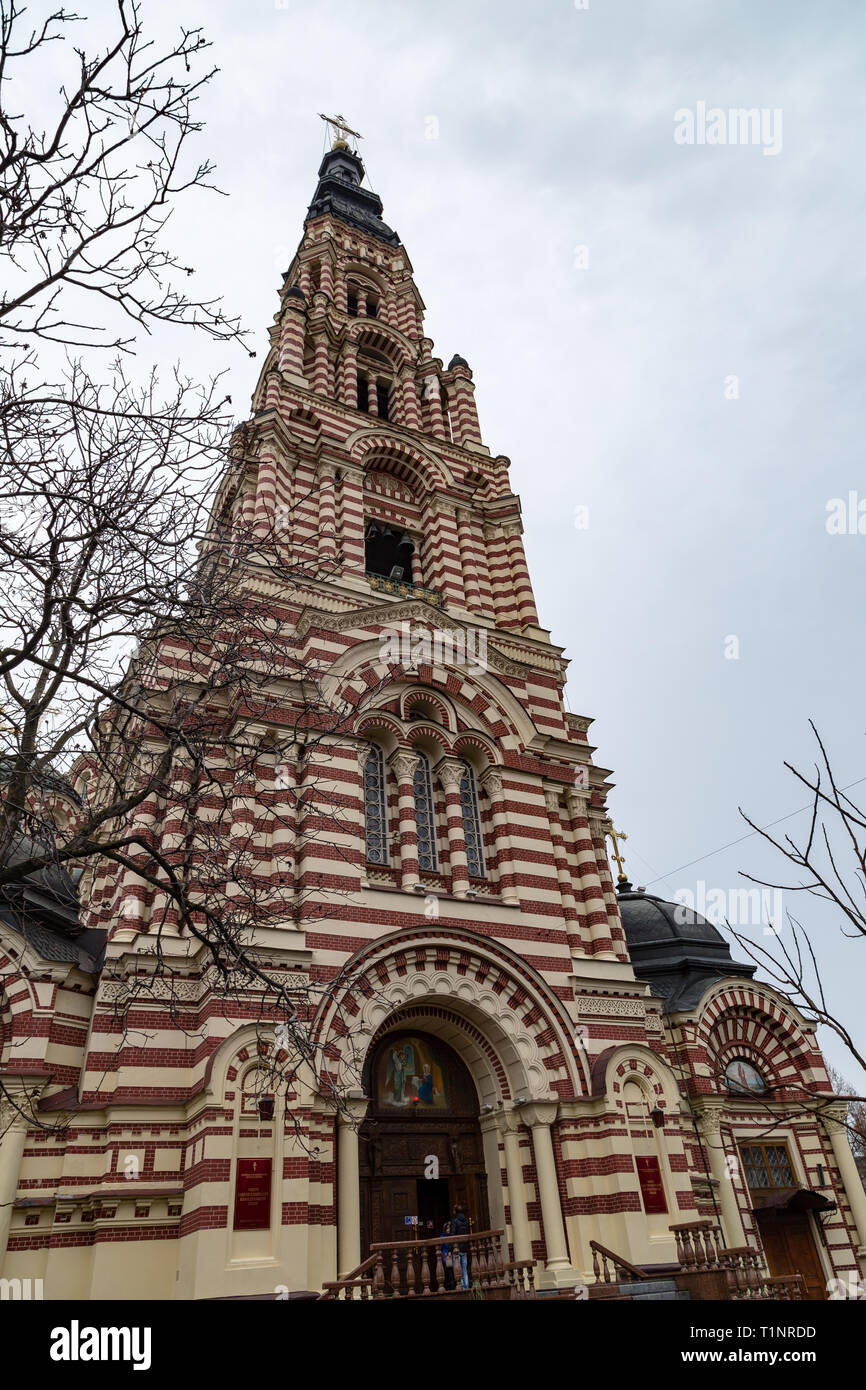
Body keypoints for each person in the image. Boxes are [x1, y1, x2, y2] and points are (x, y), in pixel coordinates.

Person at [451, 1204, 470, 1290]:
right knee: (464, 1269)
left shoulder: (454, 1221)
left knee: (457, 1268)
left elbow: (453, 1234)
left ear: (455, 1211)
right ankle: (466, 1286)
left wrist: (451, 1247)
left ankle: (461, 1286)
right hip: (464, 1247)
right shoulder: (466, 1220)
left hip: (457, 1248)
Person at [440, 1219, 456, 1291]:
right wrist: (444, 1255)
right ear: (445, 1229)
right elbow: (441, 1247)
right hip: (446, 1256)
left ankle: (453, 1286)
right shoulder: (442, 1236)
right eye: (447, 1228)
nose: (449, 1229)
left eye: (449, 1228)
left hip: (452, 1256)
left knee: (453, 1271)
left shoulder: (451, 1235)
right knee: (448, 1272)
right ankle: (450, 1286)